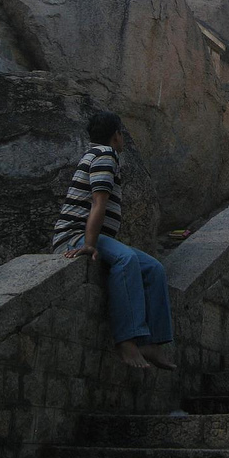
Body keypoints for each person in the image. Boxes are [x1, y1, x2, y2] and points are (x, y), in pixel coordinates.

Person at [53, 111, 176, 371]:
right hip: (74, 236)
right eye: (121, 134)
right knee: (126, 258)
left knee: (154, 269)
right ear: (116, 135)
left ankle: (152, 343)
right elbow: (99, 201)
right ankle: (127, 341)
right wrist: (88, 243)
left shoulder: (100, 156)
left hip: (96, 237)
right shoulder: (104, 156)